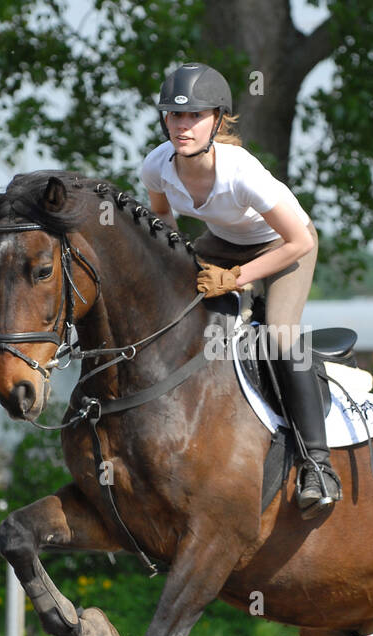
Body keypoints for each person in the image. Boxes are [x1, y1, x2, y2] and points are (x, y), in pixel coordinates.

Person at [141, 61, 342, 518]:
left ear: (217, 120)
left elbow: (299, 241)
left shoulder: (240, 172)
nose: (183, 125)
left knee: (280, 336)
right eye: (175, 115)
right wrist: (178, 269)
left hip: (283, 245)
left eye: (194, 116)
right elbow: (163, 221)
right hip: (223, 243)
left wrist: (235, 279)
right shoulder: (157, 166)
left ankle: (318, 466)